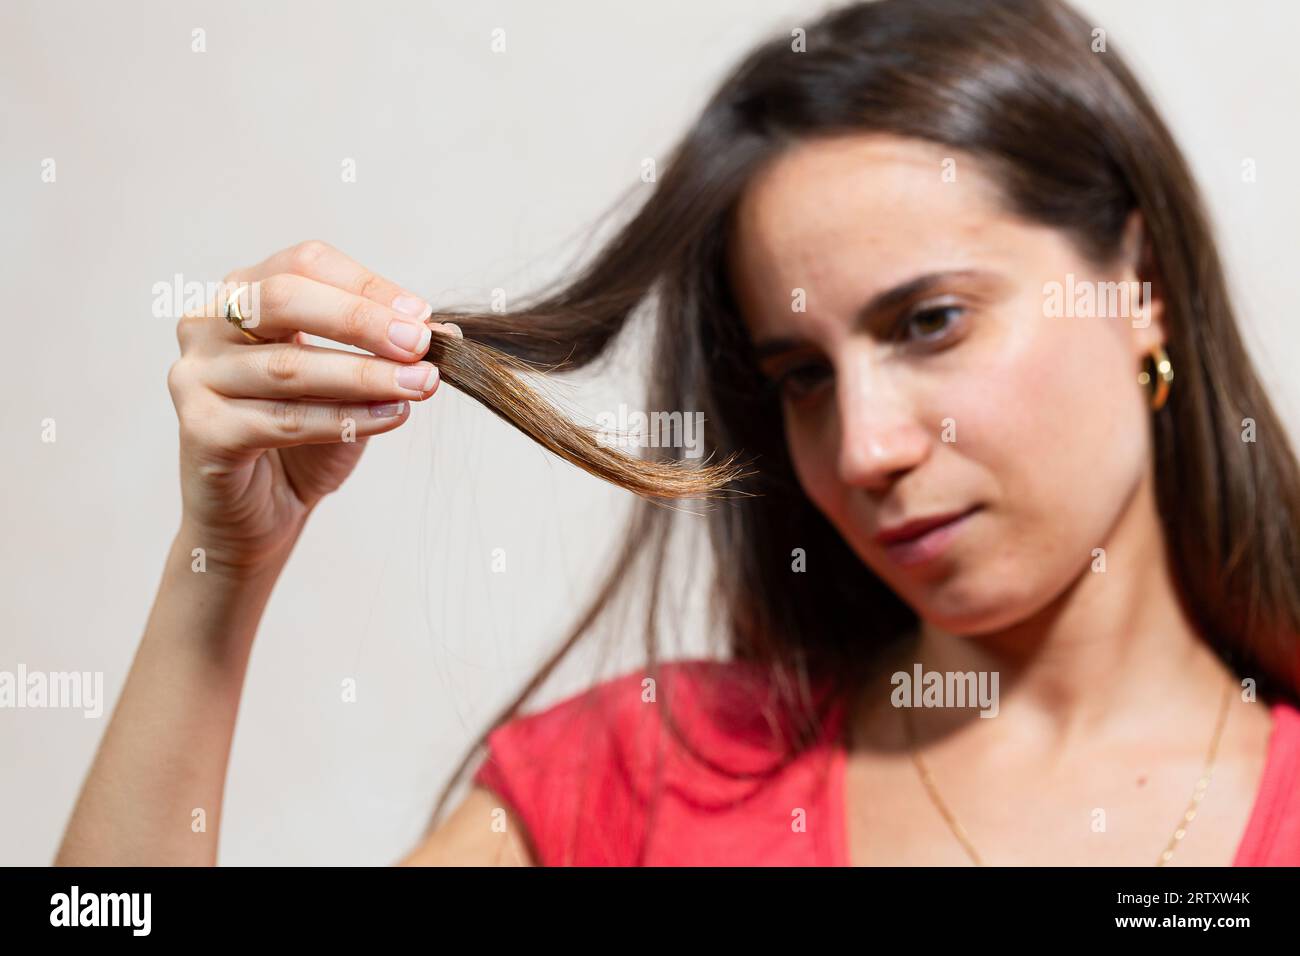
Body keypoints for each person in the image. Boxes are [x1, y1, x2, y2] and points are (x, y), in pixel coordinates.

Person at [56, 0, 1300, 867]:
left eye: (927, 322)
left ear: (1134, 284)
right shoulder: (650, 779)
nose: (861, 448)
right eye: (800, 376)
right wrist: (219, 571)